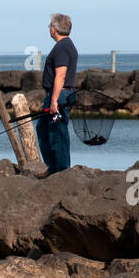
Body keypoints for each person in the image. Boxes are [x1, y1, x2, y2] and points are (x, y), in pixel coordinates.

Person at [36, 13, 79, 175]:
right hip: (62, 94)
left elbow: (61, 75)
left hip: (60, 95)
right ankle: (54, 167)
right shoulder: (67, 45)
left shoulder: (62, 47)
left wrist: (54, 100)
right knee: (43, 128)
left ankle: (60, 171)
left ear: (55, 29)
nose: (49, 29)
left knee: (57, 132)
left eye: (49, 26)